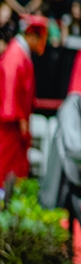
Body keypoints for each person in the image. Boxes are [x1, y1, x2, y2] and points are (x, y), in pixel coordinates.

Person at [0, 15, 46, 180]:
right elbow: (10, 94)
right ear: (32, 36)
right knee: (8, 169)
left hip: (15, 123)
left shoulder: (19, 53)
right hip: (10, 126)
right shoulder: (15, 56)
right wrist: (22, 124)